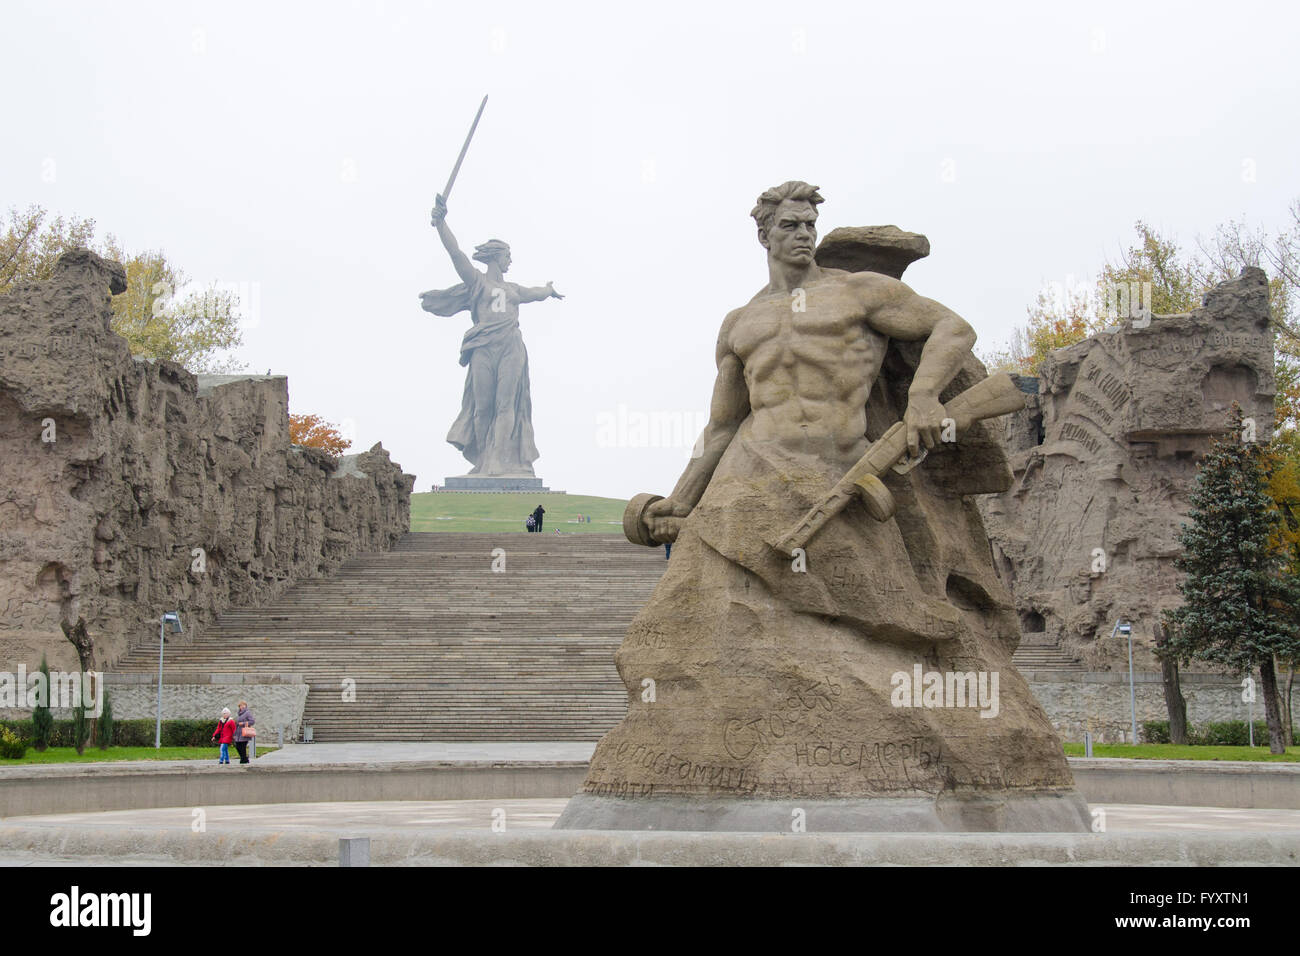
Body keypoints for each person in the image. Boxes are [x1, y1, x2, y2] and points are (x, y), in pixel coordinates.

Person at [421, 194, 563, 476]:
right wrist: (441, 223)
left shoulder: (514, 289)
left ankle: (498, 460)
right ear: (497, 256)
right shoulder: (477, 281)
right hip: (483, 348)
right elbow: (456, 254)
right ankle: (483, 460)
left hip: (511, 346)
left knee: (506, 404)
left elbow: (536, 293)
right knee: (483, 406)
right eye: (508, 256)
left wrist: (548, 289)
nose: (511, 260)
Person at [233, 699, 256, 764]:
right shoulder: (239, 714)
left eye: (243, 705)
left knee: (242, 746)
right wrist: (234, 734)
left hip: (244, 732)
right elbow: (237, 725)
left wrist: (243, 723)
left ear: (246, 706)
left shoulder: (247, 713)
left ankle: (243, 760)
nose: (242, 707)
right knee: (238, 746)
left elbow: (252, 721)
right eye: (241, 705)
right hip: (238, 733)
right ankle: (244, 759)